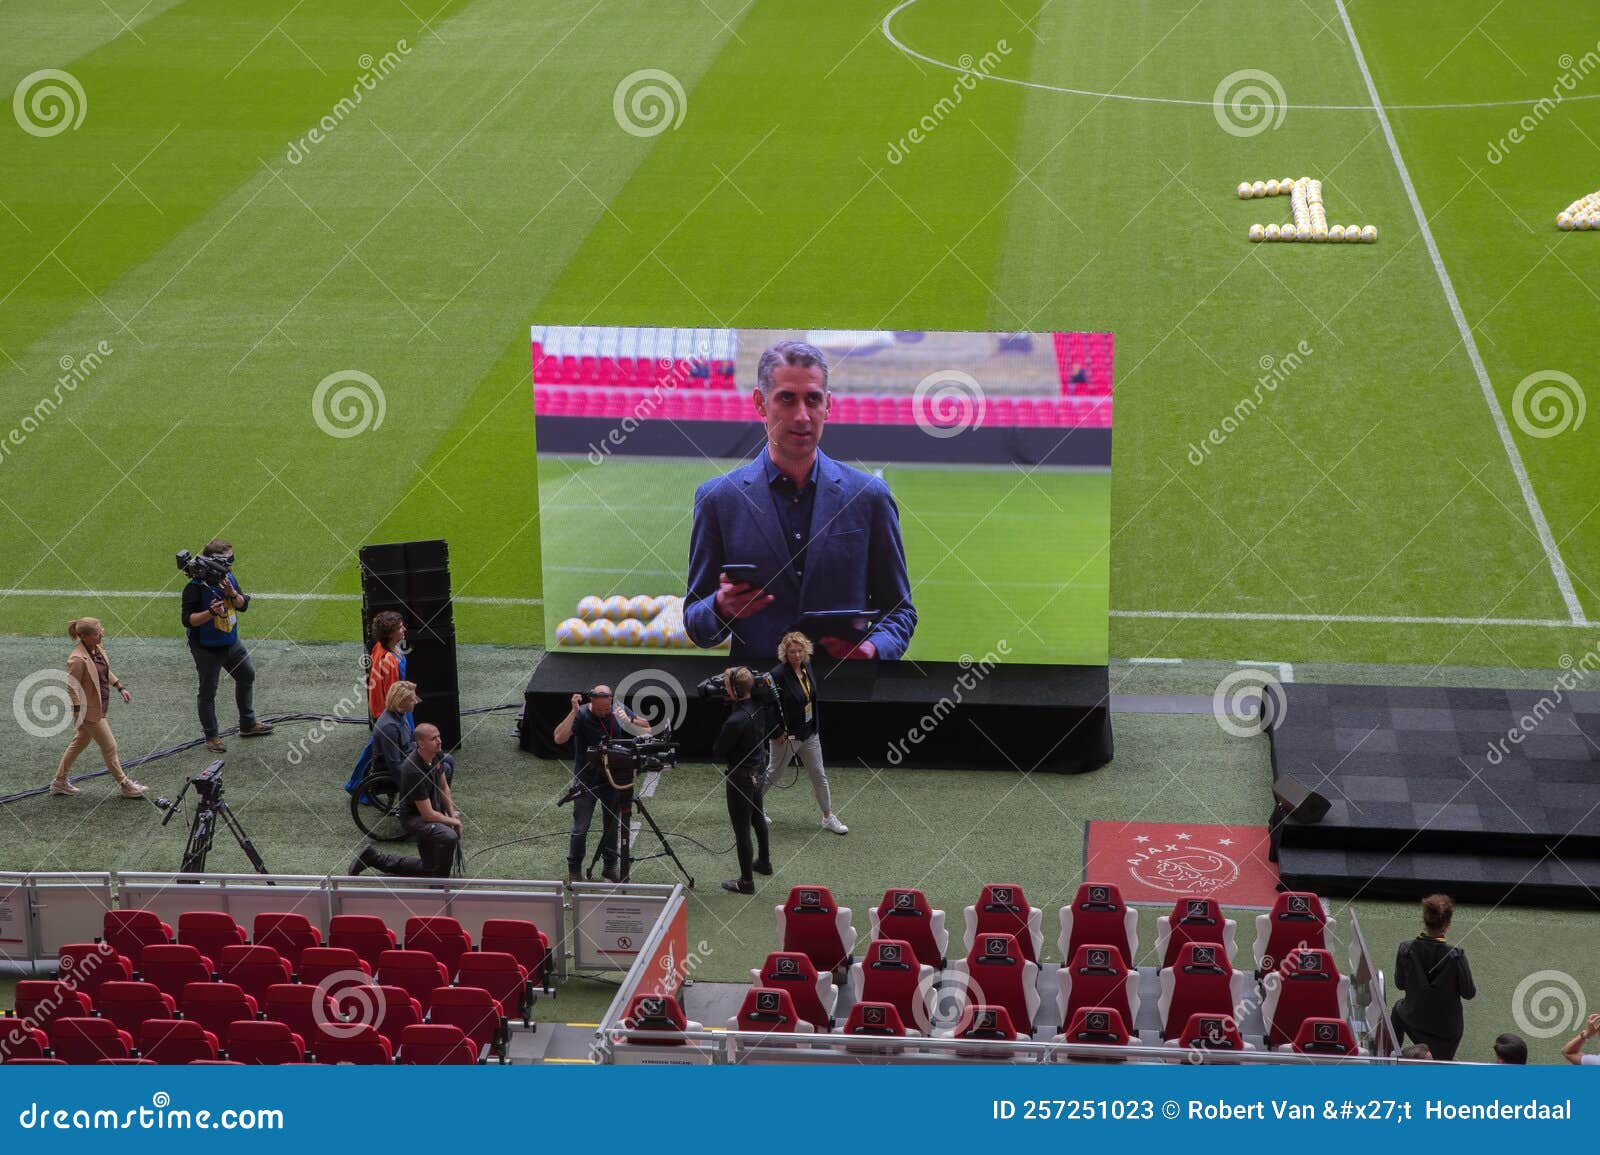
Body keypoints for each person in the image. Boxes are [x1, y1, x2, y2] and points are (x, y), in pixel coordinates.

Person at [684, 340, 916, 665]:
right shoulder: (718, 500)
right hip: (757, 701)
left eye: (813, 399)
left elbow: (900, 611)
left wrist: (873, 649)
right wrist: (721, 607)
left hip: (845, 700)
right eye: (787, 399)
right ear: (760, 403)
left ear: (828, 405)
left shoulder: (870, 497)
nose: (802, 415)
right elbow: (696, 622)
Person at [181, 538, 272, 752]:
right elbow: (188, 620)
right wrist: (211, 612)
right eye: (228, 559)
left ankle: (247, 724)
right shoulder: (194, 588)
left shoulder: (227, 578)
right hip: (206, 648)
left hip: (231, 641)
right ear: (215, 561)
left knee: (246, 675)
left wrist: (232, 594)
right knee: (207, 692)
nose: (232, 563)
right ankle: (211, 736)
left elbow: (243, 605)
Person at [553, 685, 649, 883]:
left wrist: (629, 719)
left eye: (607, 708)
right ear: (591, 702)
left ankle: (609, 867)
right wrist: (573, 711)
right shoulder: (580, 714)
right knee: (581, 826)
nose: (605, 713)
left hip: (612, 779)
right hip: (586, 779)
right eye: (600, 710)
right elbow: (559, 738)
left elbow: (646, 727)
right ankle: (574, 870)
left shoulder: (617, 708)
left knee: (612, 825)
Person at [51, 618, 147, 798]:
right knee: (110, 746)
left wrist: (120, 687)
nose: (101, 633)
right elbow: (72, 687)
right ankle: (126, 785)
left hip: (100, 705)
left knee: (80, 742)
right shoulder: (77, 659)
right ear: (84, 637)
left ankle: (59, 781)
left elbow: (104, 670)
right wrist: (78, 714)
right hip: (90, 711)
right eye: (97, 632)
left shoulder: (97, 648)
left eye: (101, 629)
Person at [350, 723, 460, 878]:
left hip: (429, 812)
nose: (439, 741)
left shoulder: (436, 754)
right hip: (415, 818)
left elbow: (443, 787)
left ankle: (373, 858)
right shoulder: (413, 770)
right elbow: (427, 815)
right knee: (449, 837)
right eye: (434, 738)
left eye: (439, 736)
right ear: (421, 744)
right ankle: (441, 881)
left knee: (428, 869)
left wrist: (450, 814)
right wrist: (453, 822)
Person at [766, 631, 846, 834]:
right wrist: (776, 731)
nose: (797, 655)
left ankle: (828, 816)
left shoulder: (807, 667)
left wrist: (814, 727)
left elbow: (810, 698)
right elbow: (767, 706)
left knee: (819, 775)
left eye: (800, 650)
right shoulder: (777, 675)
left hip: (809, 733)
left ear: (806, 650)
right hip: (787, 737)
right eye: (792, 651)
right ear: (785, 652)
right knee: (773, 774)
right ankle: (751, 806)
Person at [1390, 893, 1475, 1062]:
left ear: (1424, 919)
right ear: (1448, 925)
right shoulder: (1456, 956)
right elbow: (1468, 993)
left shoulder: (1405, 949)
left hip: (1413, 1020)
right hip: (1447, 1033)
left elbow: (1400, 984)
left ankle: (1390, 1055)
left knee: (1397, 1010)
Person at [715, 667, 772, 894]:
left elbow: (719, 750)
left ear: (736, 690)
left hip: (740, 777)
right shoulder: (758, 706)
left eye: (727, 685)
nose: (723, 687)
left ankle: (746, 882)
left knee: (741, 831)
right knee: (757, 816)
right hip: (758, 771)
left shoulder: (735, 721)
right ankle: (764, 862)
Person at [366, 610, 407, 720]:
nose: (404, 629)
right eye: (400, 627)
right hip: (395, 712)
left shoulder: (379, 647)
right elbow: (392, 695)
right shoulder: (389, 661)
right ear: (390, 634)